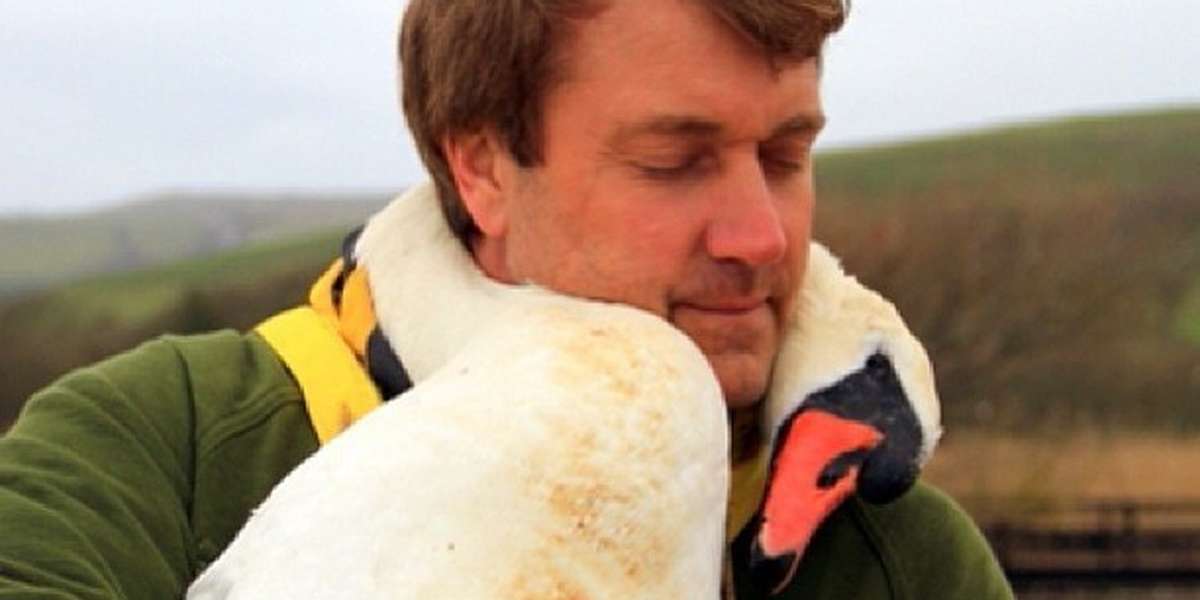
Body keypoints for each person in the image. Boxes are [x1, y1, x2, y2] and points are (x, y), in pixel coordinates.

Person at [0, 0, 1013, 598]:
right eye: (673, 162)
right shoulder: (163, 449)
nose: (760, 238)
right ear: (481, 168)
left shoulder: (896, 561)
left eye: (787, 156)